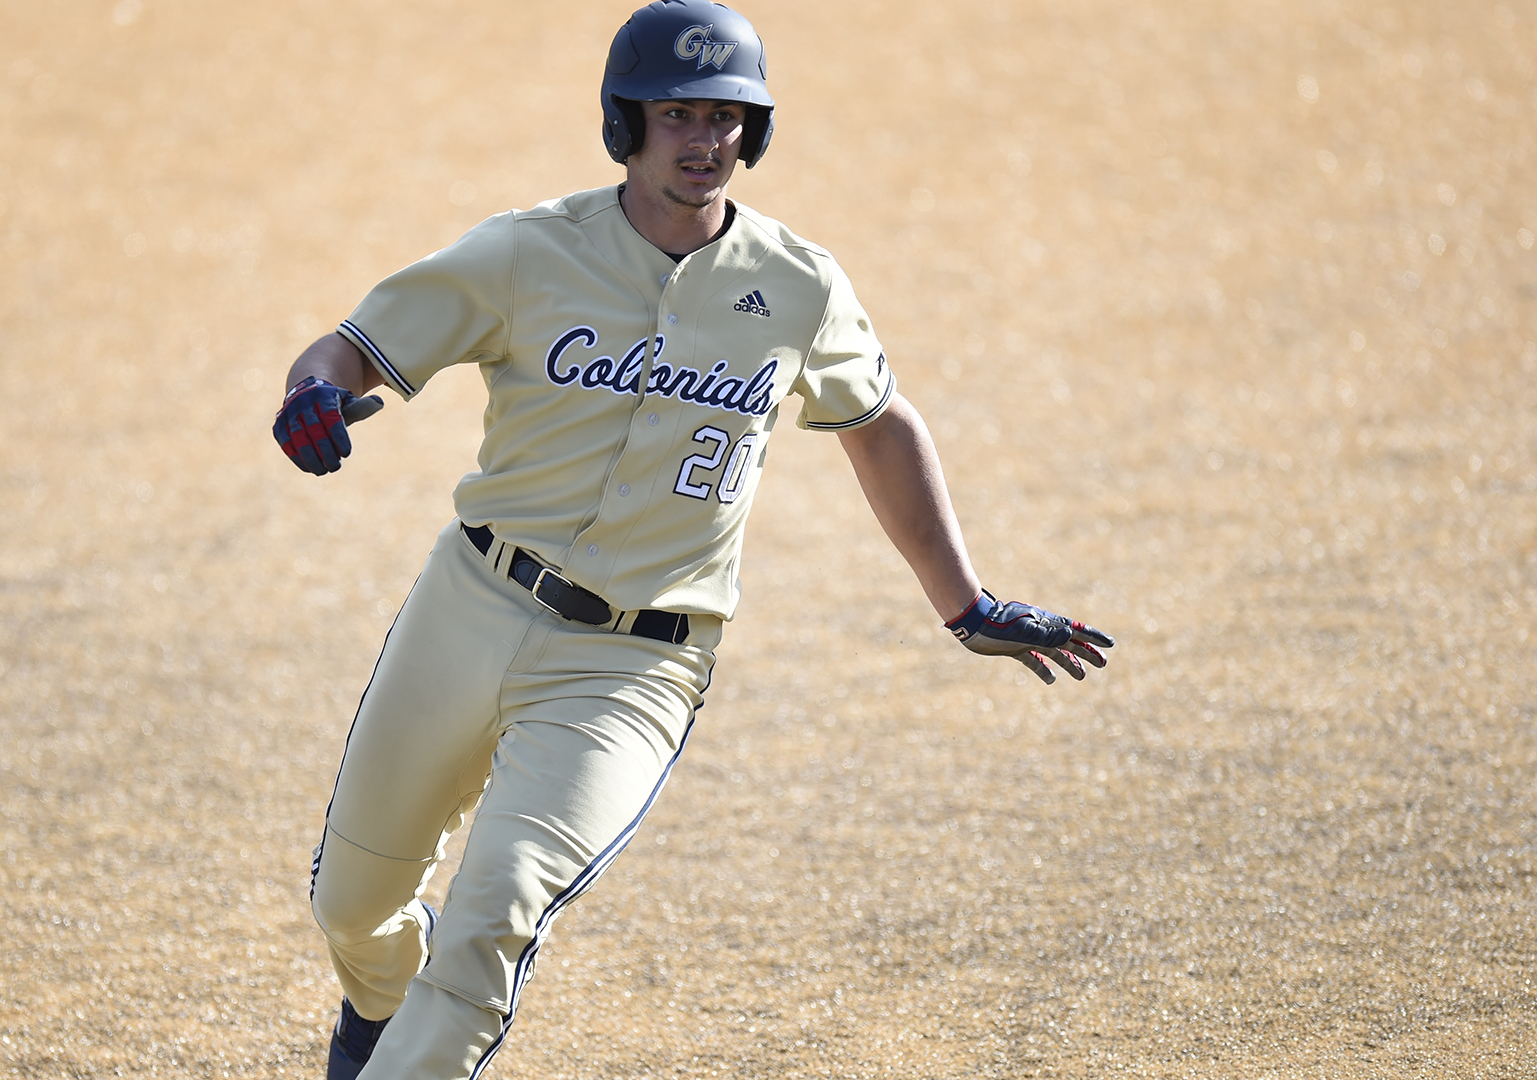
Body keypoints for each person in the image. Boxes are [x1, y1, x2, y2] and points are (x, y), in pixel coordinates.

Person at [270, 3, 1114, 1077]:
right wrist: (312, 395)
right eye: (678, 114)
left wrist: (967, 604)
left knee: (495, 914)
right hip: (469, 609)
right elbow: (351, 348)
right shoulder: (527, 251)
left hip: (634, 665)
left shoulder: (798, 284)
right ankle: (378, 1008)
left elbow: (879, 427)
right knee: (351, 906)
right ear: (628, 123)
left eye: (727, 117)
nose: (704, 139)